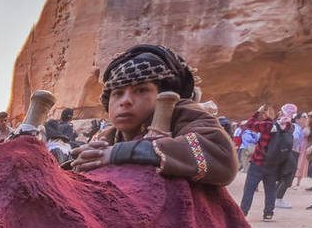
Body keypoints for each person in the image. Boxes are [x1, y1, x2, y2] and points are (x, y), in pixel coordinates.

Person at [70, 43, 236, 187]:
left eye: (141, 90)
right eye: (117, 93)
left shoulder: (181, 112)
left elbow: (222, 157)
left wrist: (117, 153)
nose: (125, 101)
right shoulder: (107, 136)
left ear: (163, 95)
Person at [237, 105, 282, 220]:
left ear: (265, 113)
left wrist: (257, 112)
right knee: (270, 190)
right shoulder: (281, 126)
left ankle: (243, 212)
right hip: (272, 163)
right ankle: (268, 213)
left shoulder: (266, 125)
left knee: (249, 188)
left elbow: (249, 125)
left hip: (258, 161)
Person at [273, 103, 301, 208]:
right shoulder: (288, 124)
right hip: (290, 152)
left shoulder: (279, 122)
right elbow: (294, 139)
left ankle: (275, 198)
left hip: (283, 152)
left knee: (283, 176)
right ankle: (278, 199)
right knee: (287, 176)